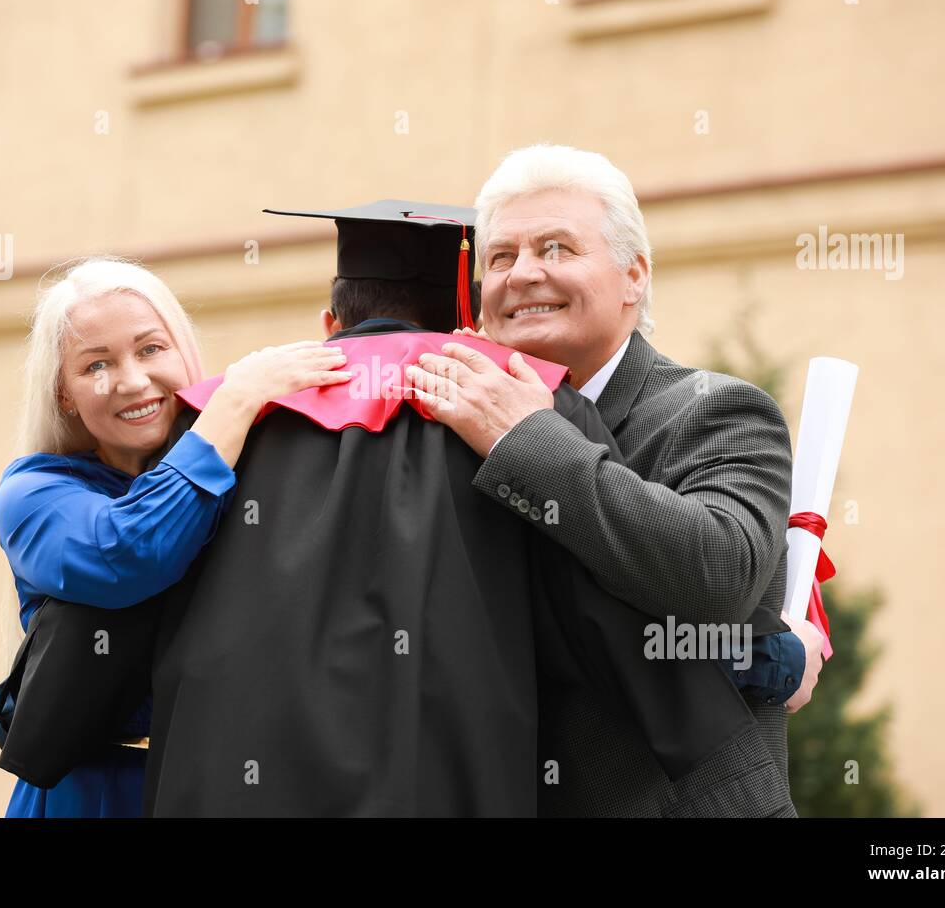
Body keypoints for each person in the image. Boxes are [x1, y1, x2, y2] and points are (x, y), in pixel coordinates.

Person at [142, 202, 805, 816]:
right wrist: (766, 674)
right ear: (465, 316)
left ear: (330, 327)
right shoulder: (526, 414)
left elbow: (132, 596)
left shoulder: (220, 421)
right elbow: (606, 622)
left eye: (555, 249)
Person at [413, 145, 827, 815]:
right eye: (500, 257)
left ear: (634, 274)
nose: (523, 275)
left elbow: (716, 576)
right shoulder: (445, 428)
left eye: (555, 248)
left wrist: (529, 440)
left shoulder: (718, 411)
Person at [0, 258, 350, 817]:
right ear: (63, 393)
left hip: (226, 784)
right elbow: (129, 553)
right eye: (96, 365)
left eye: (151, 349)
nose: (133, 380)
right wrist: (234, 401)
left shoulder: (246, 461)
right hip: (97, 793)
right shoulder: (34, 494)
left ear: (183, 351)